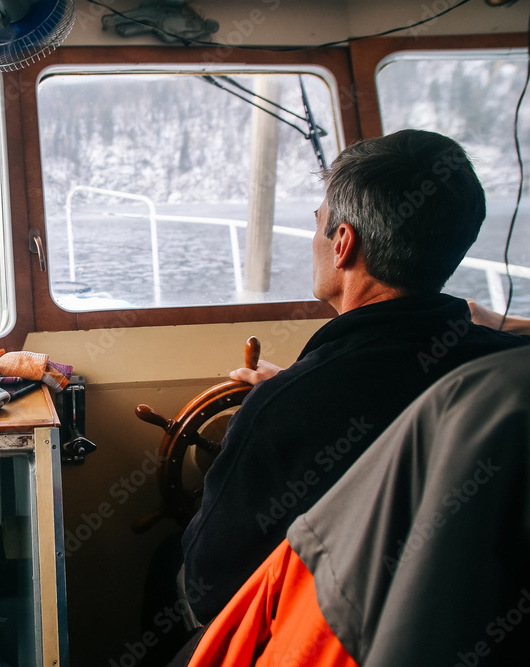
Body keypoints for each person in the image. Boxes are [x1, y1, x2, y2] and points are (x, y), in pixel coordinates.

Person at [180, 129, 529, 629]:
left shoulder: (283, 412)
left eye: (319, 221)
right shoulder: (511, 374)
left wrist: (288, 399)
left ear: (342, 243)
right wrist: (298, 385)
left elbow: (208, 587)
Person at [186, 345, 530, 666]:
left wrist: (288, 397)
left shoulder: (281, 401)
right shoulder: (503, 364)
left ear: (343, 273)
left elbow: (207, 589)